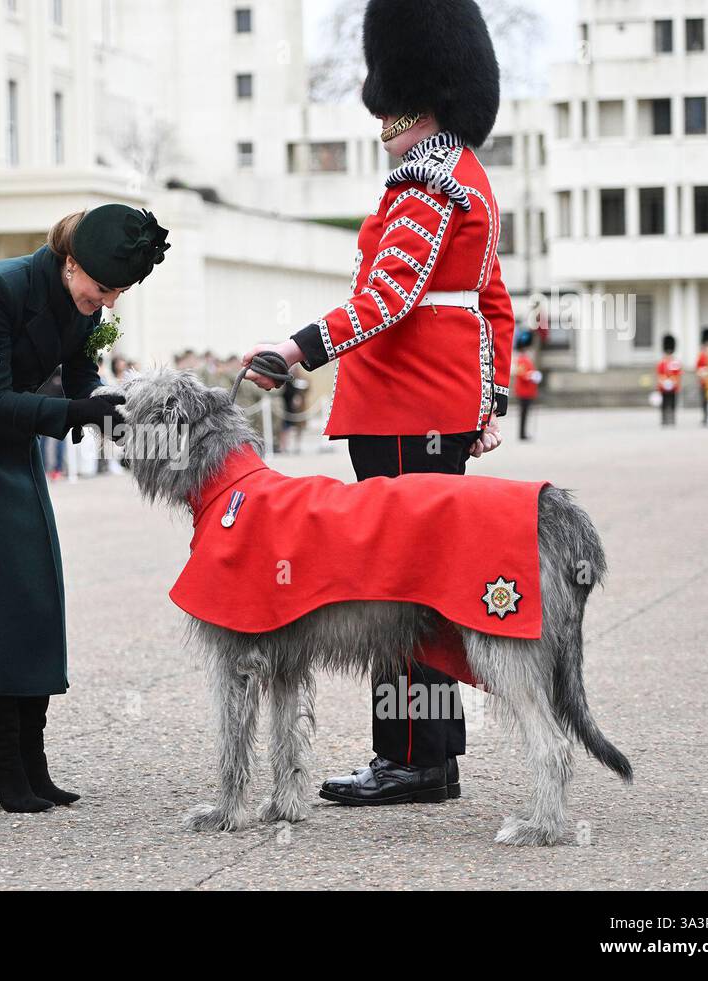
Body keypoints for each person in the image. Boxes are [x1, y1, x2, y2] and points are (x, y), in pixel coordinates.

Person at [240, 0, 510, 806]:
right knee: (425, 582)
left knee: (398, 589)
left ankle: (412, 758)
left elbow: (387, 298)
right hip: (437, 408)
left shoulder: (425, 180)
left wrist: (295, 349)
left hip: (401, 410)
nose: (380, 131)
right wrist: (485, 401)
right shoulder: (468, 176)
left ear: (413, 108)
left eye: (385, 117)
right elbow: (491, 302)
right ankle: (429, 754)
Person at [0, 204, 169, 813]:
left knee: (37, 589)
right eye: (102, 289)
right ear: (71, 262)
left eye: (118, 294)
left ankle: (31, 753)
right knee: (1, 597)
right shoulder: (0, 287)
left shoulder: (81, 304)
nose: (106, 303)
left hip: (12, 444)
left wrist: (121, 416)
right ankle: (0, 753)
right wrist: (79, 414)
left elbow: (81, 382)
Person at [514, 331, 541, 440]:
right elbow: (520, 374)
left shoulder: (527, 360)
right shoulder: (521, 359)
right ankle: (522, 434)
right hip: (523, 391)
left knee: (526, 414)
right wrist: (531, 376)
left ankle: (524, 433)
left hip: (528, 391)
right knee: (523, 414)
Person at [656, 334, 682, 426]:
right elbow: (659, 374)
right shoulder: (662, 362)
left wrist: (673, 382)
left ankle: (671, 419)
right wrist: (664, 382)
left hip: (673, 386)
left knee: (673, 403)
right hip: (664, 386)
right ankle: (664, 419)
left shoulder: (675, 362)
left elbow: (677, 374)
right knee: (664, 403)